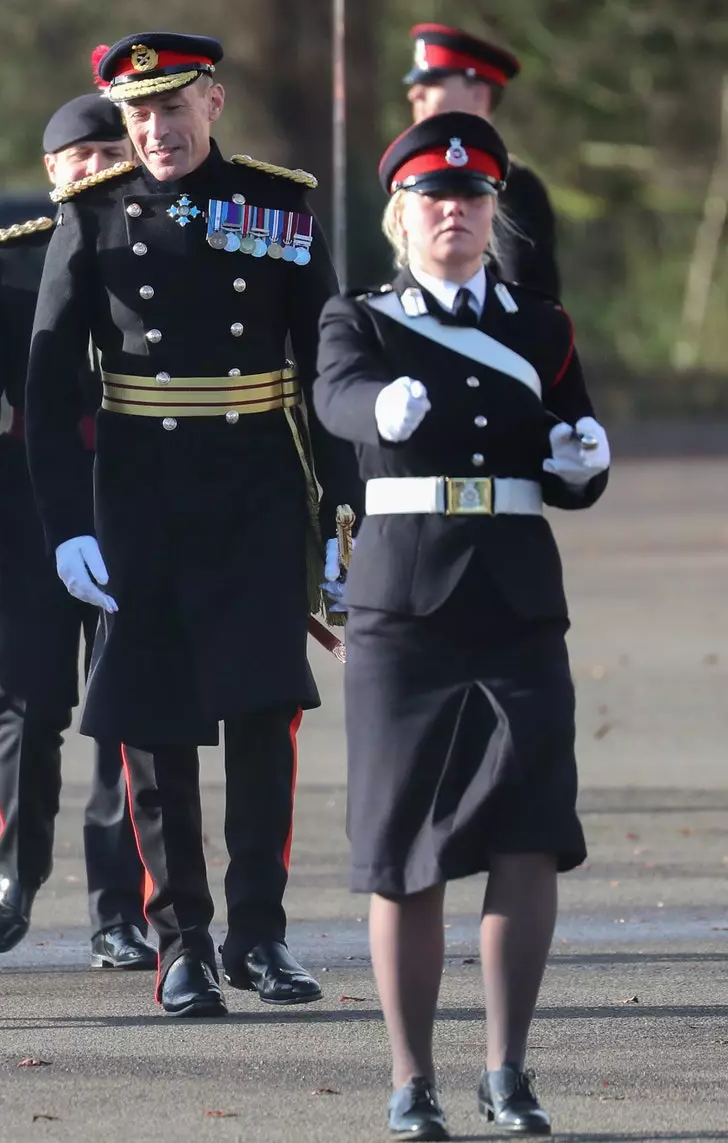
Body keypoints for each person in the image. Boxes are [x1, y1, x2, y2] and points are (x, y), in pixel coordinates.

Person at [24, 32, 363, 1017]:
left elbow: (328, 364)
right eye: (137, 115)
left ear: (212, 103)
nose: (155, 131)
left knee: (265, 713)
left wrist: (343, 522)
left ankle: (260, 935)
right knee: (152, 723)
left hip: (257, 486)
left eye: (172, 108)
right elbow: (48, 391)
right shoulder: (90, 217)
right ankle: (181, 943)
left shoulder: (272, 205)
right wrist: (65, 526)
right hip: (140, 495)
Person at [313, 112, 609, 1139]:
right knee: (406, 850)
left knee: (528, 838)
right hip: (406, 611)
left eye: (472, 198)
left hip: (518, 601)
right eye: (434, 200)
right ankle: (410, 1079)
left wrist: (584, 464)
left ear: (493, 214)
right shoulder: (362, 317)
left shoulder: (540, 323)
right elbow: (334, 396)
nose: (455, 213)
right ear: (399, 216)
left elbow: (570, 432)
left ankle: (509, 1072)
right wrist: (372, 410)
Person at [0, 93, 153, 970]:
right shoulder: (7, 264)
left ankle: (119, 911)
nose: (98, 169)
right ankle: (17, 869)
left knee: (129, 712)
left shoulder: (165, 256)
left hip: (136, 502)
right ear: (51, 173)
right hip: (28, 508)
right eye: (81, 159)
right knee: (29, 701)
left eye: (113, 153)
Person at [405, 24, 560, 297]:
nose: (414, 94)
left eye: (433, 83)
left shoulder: (514, 187)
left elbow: (531, 302)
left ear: (479, 95)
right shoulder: (408, 182)